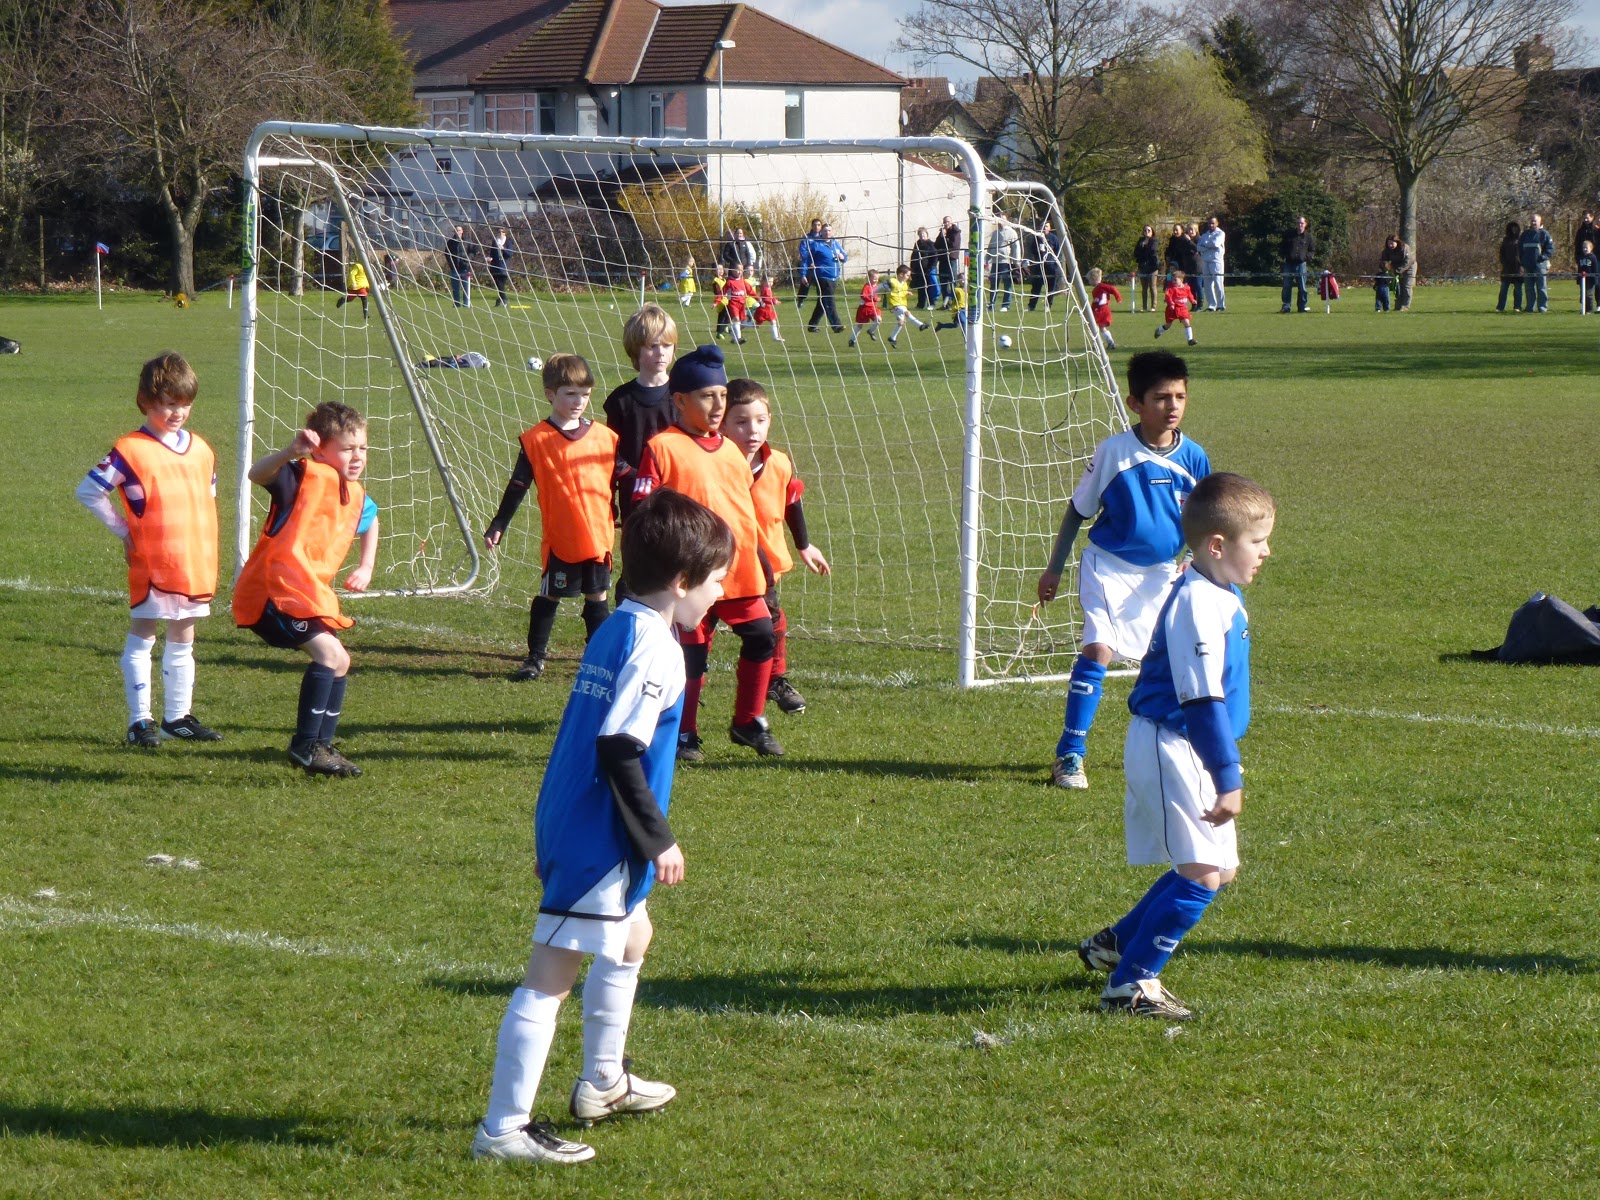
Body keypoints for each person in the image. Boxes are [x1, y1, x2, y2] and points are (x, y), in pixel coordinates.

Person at [470, 488, 733, 1167]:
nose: (719, 592)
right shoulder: (657, 649)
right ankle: (503, 1128)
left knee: (631, 937)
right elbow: (619, 746)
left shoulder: (619, 624)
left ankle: (603, 1082)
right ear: (681, 583)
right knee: (549, 977)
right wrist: (657, 838)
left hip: (574, 820)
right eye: (715, 580)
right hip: (600, 837)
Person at [1077, 472, 1275, 1020]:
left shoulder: (1215, 589)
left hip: (1194, 746)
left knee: (1217, 871)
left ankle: (1117, 943)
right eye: (1256, 542)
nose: (1266, 551)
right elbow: (1201, 700)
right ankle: (1131, 984)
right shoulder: (1198, 606)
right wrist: (1229, 775)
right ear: (1217, 545)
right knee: (1202, 874)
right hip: (1175, 742)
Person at [1036, 350, 1211, 791]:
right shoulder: (1114, 452)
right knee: (1098, 650)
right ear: (1136, 403)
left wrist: (1201, 562)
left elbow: (1206, 520)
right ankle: (1070, 755)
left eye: (1180, 397)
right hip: (1108, 568)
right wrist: (1054, 569)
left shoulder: (1194, 458)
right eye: (1160, 398)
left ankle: (1196, 746)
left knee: (1181, 658)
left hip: (1162, 574)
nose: (1172, 407)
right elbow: (1077, 511)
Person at [632, 345, 785, 759]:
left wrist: (762, 564)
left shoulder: (731, 450)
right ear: (680, 400)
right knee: (692, 655)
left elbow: (745, 512)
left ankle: (747, 721)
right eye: (707, 396)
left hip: (738, 571)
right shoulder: (662, 447)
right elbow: (642, 511)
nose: (718, 405)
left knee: (761, 635)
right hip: (690, 574)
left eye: (722, 395)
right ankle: (684, 732)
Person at [76, 350, 221, 749]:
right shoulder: (131, 449)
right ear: (146, 402)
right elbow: (89, 491)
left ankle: (178, 717)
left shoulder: (202, 449)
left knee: (184, 635)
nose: (178, 412)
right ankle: (139, 721)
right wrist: (125, 532)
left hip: (194, 561)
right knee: (144, 634)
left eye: (185, 404)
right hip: (154, 561)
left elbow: (207, 499)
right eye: (169, 404)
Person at [233, 401, 379, 778]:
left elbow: (371, 518)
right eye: (347, 448)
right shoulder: (300, 476)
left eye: (362, 447)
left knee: (341, 661)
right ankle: (305, 746)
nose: (357, 455)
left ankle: (321, 746)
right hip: (274, 593)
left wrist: (366, 565)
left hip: (307, 594)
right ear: (320, 449)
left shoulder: (355, 491)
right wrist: (289, 452)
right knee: (329, 655)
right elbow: (256, 473)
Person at [484, 354, 620, 681]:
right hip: (562, 539)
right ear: (550, 394)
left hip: (599, 536)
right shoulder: (537, 441)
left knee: (597, 597)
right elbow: (518, 484)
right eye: (570, 394)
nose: (578, 402)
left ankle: (596, 659)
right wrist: (499, 523)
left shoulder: (605, 436)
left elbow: (620, 477)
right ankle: (534, 659)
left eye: (585, 394)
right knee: (550, 595)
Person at [723, 379, 830, 716]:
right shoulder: (714, 460)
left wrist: (804, 544)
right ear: (722, 423)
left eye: (760, 420)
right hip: (716, 562)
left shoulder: (779, 462)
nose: (752, 430)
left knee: (772, 623)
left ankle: (775, 679)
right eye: (740, 422)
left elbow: (791, 501)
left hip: (764, 564)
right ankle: (688, 680)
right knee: (699, 626)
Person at [603, 303, 678, 531]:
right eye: (652, 346)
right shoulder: (620, 400)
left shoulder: (683, 395)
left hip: (677, 491)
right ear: (635, 349)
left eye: (667, 345)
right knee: (638, 560)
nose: (661, 352)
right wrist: (634, 477)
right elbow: (612, 453)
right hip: (635, 496)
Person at [802, 223, 847, 333]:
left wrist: (842, 257)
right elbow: (806, 259)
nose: (827, 233)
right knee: (829, 300)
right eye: (825, 231)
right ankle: (836, 325)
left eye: (829, 231)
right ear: (821, 232)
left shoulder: (835, 244)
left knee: (822, 301)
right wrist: (804, 274)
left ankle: (812, 325)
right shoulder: (816, 245)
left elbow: (845, 257)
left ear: (832, 232)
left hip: (834, 277)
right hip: (822, 277)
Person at [884, 263, 929, 345]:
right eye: (908, 275)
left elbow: (901, 293)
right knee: (907, 312)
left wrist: (907, 294)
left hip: (901, 304)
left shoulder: (904, 284)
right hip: (895, 305)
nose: (909, 277)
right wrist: (873, 292)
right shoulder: (893, 281)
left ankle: (892, 338)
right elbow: (885, 287)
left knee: (901, 322)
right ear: (901, 274)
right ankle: (920, 325)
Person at [1520, 213, 1554, 313]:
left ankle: (1542, 307)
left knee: (1541, 287)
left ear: (1540, 222)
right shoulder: (1525, 234)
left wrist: (1543, 257)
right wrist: (1522, 261)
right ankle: (1530, 307)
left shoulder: (1544, 234)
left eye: (1535, 221)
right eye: (1532, 220)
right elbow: (1520, 249)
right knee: (1529, 288)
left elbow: (1550, 249)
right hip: (1527, 265)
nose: (1533, 222)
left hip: (1540, 265)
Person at [1280, 215, 1315, 313]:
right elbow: (1282, 247)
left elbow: (1312, 250)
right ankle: (1286, 306)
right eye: (1298, 223)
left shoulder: (1308, 237)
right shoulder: (1289, 235)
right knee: (1287, 286)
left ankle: (1302, 306)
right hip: (1288, 264)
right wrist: (1286, 256)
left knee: (1302, 287)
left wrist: (1306, 257)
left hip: (1301, 265)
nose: (1300, 225)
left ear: (1305, 224)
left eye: (1302, 223)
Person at [1027, 221, 1064, 311]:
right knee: (1036, 287)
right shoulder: (1036, 238)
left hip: (1050, 266)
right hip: (1039, 266)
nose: (1044, 228)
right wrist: (1038, 252)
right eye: (1042, 226)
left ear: (1049, 228)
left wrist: (1055, 263)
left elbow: (1058, 252)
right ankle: (1031, 306)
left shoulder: (1054, 238)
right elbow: (1031, 250)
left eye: (1046, 226)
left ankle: (1047, 306)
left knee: (1050, 287)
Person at [1154, 270, 1198, 346]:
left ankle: (1190, 339)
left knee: (1187, 322)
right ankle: (1159, 330)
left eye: (1175, 280)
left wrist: (1192, 300)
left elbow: (1189, 294)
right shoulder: (1171, 289)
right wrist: (1171, 304)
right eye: (1172, 280)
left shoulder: (1186, 287)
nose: (1173, 281)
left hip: (1182, 308)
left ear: (1181, 280)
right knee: (1168, 325)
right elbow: (1168, 297)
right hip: (1172, 309)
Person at [988, 213, 1020, 311]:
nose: (1001, 222)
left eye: (1002, 220)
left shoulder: (1012, 232)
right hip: (995, 262)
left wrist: (1016, 262)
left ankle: (1005, 305)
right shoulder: (995, 233)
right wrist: (986, 259)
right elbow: (990, 248)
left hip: (1006, 263)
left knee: (1007, 284)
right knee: (993, 284)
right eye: (999, 220)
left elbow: (1016, 248)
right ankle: (992, 304)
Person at [1196, 217, 1226, 312]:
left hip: (1216, 261)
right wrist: (1208, 246)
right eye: (1209, 223)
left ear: (1217, 223)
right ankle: (1211, 305)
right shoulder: (1205, 235)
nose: (1211, 225)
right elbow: (1199, 247)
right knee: (1207, 284)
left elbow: (1215, 244)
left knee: (1218, 282)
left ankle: (1221, 305)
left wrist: (1205, 245)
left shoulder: (1220, 233)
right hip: (1206, 261)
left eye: (1213, 223)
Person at [848, 268, 884, 347]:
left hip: (873, 308)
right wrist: (874, 298)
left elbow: (875, 296)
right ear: (869, 278)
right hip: (864, 308)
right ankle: (852, 340)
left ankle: (871, 331)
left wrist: (876, 299)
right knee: (860, 325)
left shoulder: (876, 286)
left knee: (879, 319)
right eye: (874, 278)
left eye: (877, 279)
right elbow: (863, 296)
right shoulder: (867, 287)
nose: (876, 280)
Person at [1089, 268, 1121, 351]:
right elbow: (1096, 301)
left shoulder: (1101, 287)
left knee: (1092, 326)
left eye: (1089, 280)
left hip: (1101, 310)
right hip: (1104, 309)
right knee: (1101, 328)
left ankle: (1097, 344)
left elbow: (1113, 289)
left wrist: (1118, 298)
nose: (1089, 282)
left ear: (1093, 279)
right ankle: (1110, 343)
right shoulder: (1097, 289)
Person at [794, 218, 823, 309]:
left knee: (822, 283)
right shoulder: (806, 237)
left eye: (818, 225)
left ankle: (822, 300)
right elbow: (803, 251)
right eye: (815, 225)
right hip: (809, 264)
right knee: (805, 282)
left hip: (819, 264)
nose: (816, 227)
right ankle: (801, 299)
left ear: (821, 226)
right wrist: (810, 262)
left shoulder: (823, 237)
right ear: (812, 226)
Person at [1382, 235, 1414, 311]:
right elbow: (1383, 260)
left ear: (1397, 242)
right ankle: (1398, 305)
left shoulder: (1404, 248)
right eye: (1389, 243)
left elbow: (1407, 262)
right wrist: (1386, 268)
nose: (1390, 245)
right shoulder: (1387, 250)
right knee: (1397, 286)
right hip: (1396, 268)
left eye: (1392, 243)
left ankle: (1405, 306)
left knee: (1406, 286)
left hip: (1409, 267)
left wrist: (1398, 271)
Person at [912, 226, 942, 308]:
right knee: (921, 287)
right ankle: (920, 304)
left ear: (927, 234)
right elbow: (914, 256)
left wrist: (931, 267)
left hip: (928, 269)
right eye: (920, 234)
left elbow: (935, 257)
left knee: (930, 286)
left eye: (923, 233)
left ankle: (931, 303)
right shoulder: (917, 244)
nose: (922, 235)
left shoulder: (931, 244)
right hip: (919, 269)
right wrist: (913, 268)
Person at [1497, 221, 1523, 313]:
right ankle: (1500, 307)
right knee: (1504, 288)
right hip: (1507, 268)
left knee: (1518, 289)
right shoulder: (1506, 240)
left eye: (1515, 228)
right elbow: (1501, 253)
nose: (1514, 230)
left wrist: (1522, 263)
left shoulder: (1521, 239)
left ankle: (1517, 307)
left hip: (1518, 269)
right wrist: (1504, 262)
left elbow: (1524, 253)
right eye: (1512, 228)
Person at [445, 224, 473, 308]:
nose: (458, 232)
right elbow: (446, 253)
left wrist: (469, 259)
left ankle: (466, 304)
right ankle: (456, 304)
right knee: (455, 288)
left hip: (465, 268)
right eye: (456, 230)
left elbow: (473, 251)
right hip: (454, 268)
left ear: (462, 231)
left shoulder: (468, 241)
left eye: (459, 230)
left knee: (466, 287)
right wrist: (451, 263)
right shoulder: (451, 242)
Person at [938, 216, 963, 309]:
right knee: (943, 283)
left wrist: (946, 238)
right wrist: (942, 236)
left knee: (953, 281)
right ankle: (945, 304)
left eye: (948, 221)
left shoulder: (956, 232)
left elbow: (953, 245)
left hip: (951, 259)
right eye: (945, 222)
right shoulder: (942, 232)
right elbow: (937, 245)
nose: (946, 223)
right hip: (943, 259)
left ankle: (954, 302)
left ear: (951, 222)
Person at [1134, 225, 1161, 312]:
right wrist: (1141, 246)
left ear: (1152, 231)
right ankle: (1144, 306)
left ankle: (1153, 306)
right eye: (1145, 230)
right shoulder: (1140, 241)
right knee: (1144, 287)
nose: (1147, 232)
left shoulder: (1154, 240)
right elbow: (1136, 253)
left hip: (1152, 267)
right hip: (1143, 266)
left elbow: (1152, 251)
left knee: (1152, 286)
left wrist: (1144, 247)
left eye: (1149, 230)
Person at [752, 272, 784, 341]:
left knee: (773, 321)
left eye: (771, 281)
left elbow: (772, 297)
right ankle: (739, 326)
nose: (770, 283)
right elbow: (766, 299)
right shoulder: (765, 289)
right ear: (763, 282)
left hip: (768, 309)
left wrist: (775, 300)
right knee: (757, 325)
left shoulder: (769, 289)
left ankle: (775, 337)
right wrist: (773, 302)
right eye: (768, 281)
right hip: (763, 310)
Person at [485, 228, 513, 307]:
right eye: (499, 231)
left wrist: (503, 249)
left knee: (501, 284)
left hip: (504, 267)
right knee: (498, 285)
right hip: (495, 266)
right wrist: (489, 258)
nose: (501, 233)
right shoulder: (495, 242)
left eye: (502, 232)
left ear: (505, 233)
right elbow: (492, 253)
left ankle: (505, 300)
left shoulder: (508, 242)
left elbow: (510, 254)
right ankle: (499, 301)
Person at [723, 269, 750, 345]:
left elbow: (750, 290)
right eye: (737, 270)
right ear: (733, 271)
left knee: (743, 322)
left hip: (742, 304)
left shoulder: (743, 281)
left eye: (741, 270)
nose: (739, 272)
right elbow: (722, 292)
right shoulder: (729, 282)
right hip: (733, 304)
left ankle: (733, 334)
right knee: (737, 319)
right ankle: (739, 338)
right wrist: (716, 302)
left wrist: (759, 298)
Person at [710, 261, 731, 340]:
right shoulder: (716, 280)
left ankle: (724, 327)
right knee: (723, 316)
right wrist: (716, 302)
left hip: (727, 300)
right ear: (714, 271)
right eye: (718, 269)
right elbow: (717, 292)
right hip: (721, 301)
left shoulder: (724, 279)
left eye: (722, 269)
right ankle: (720, 332)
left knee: (727, 315)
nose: (721, 271)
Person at [1577, 240, 1599, 313]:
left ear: (1591, 248)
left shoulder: (1593, 257)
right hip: (1582, 279)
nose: (1585, 249)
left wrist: (1595, 279)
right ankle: (1583, 308)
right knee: (1582, 294)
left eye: (1586, 248)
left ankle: (1589, 309)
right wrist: (1578, 279)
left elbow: (1595, 269)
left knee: (1589, 294)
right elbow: (1579, 269)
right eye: (1583, 248)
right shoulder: (1580, 257)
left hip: (1590, 279)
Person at [1373, 241, 1393, 313]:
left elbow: (1376, 281)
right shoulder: (1389, 275)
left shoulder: (1378, 274)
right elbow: (1390, 281)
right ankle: (1386, 308)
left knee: (1378, 298)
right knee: (1386, 298)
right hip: (1386, 288)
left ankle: (1378, 308)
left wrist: (1375, 286)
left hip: (1379, 288)